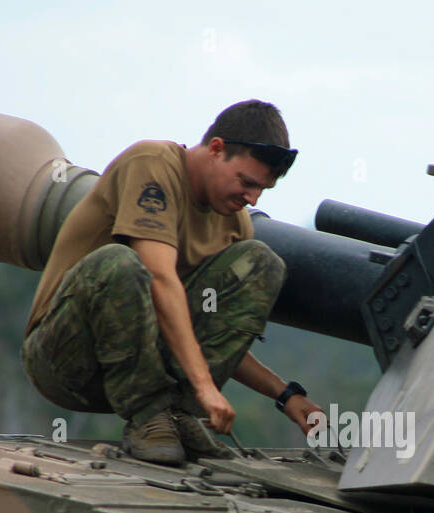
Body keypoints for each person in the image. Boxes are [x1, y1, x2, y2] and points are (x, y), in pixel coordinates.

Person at [21, 99, 323, 465]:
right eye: (246, 182)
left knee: (261, 263)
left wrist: (285, 393)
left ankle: (177, 416)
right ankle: (150, 416)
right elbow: (160, 278)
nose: (252, 198)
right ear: (216, 149)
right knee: (122, 263)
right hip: (65, 360)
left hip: (144, 375)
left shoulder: (234, 223)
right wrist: (205, 385)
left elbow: (211, 331)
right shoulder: (153, 164)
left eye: (262, 190)